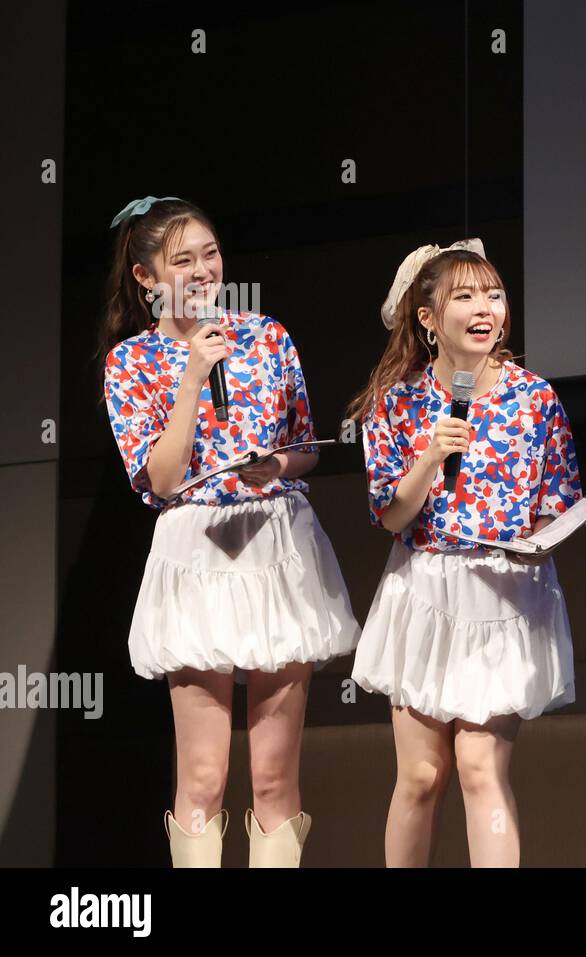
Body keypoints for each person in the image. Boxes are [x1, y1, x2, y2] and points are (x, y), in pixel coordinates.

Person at [98, 196, 361, 867]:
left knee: (274, 778)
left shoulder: (267, 336)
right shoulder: (130, 363)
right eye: (182, 260)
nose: (203, 270)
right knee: (204, 776)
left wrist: (276, 463)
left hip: (274, 541)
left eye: (209, 254)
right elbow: (159, 478)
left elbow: (306, 446)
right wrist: (191, 376)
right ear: (147, 278)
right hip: (196, 552)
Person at [348, 239, 581, 867]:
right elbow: (389, 514)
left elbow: (558, 497)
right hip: (424, 590)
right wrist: (429, 457)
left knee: (481, 769)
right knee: (421, 776)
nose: (486, 309)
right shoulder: (395, 403)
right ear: (427, 318)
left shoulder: (535, 398)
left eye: (494, 294)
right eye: (466, 297)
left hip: (501, 590)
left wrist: (541, 537)